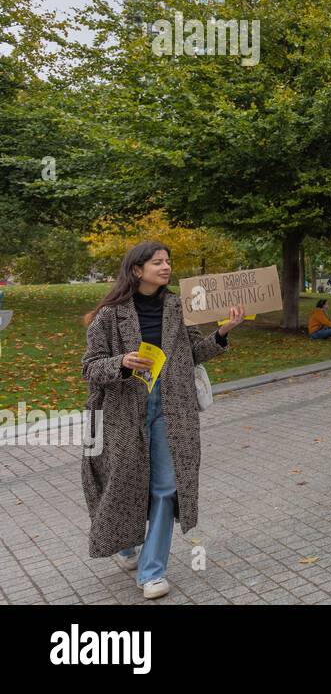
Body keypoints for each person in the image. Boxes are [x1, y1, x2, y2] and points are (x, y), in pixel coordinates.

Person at [81, 241, 246, 600]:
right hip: (124, 412)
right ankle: (124, 544)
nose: (166, 267)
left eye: (168, 261)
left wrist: (223, 331)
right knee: (123, 484)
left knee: (166, 488)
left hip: (173, 409)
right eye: (158, 262)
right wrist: (121, 363)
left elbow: (192, 354)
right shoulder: (109, 314)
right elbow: (90, 367)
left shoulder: (176, 306)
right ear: (137, 270)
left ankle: (152, 571)